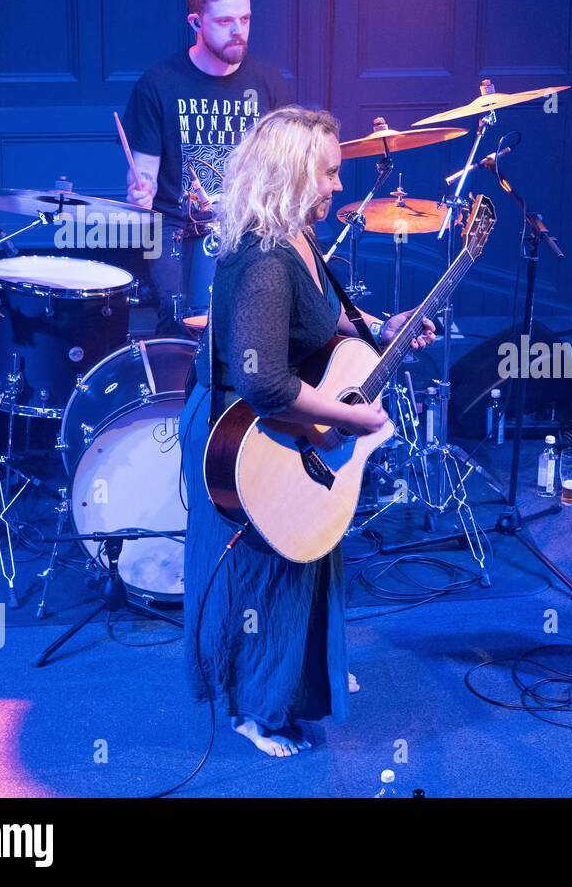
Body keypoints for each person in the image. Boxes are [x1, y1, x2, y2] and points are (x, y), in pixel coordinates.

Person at [180, 106, 435, 757]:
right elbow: (263, 384)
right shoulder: (267, 257)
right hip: (242, 437)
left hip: (279, 428)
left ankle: (296, 681)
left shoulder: (299, 236)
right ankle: (252, 710)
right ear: (294, 176)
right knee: (261, 575)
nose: (338, 187)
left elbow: (322, 319)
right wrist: (354, 417)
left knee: (300, 560)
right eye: (328, 173)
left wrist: (386, 325)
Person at [122, 0, 292, 335]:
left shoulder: (267, 80)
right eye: (225, 21)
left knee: (262, 311)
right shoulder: (159, 84)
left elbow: (284, 165)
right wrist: (141, 191)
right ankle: (180, 389)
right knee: (181, 316)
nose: (238, 31)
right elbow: (144, 175)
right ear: (196, 23)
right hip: (175, 226)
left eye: (245, 19)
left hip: (249, 222)